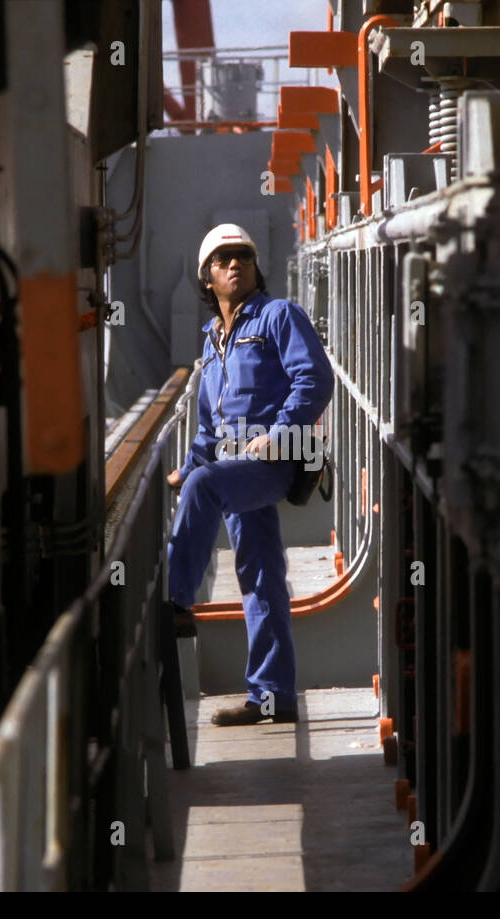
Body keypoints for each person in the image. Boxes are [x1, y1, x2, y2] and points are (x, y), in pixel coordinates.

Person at [166, 223, 334, 726]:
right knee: (260, 576)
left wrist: (279, 433)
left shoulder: (279, 316)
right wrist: (184, 468)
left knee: (205, 487)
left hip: (271, 461)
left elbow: (315, 377)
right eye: (222, 259)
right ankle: (273, 696)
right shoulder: (213, 346)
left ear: (255, 266)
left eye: (242, 255)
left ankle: (174, 602)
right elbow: (207, 426)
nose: (234, 263)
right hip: (232, 464)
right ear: (207, 278)